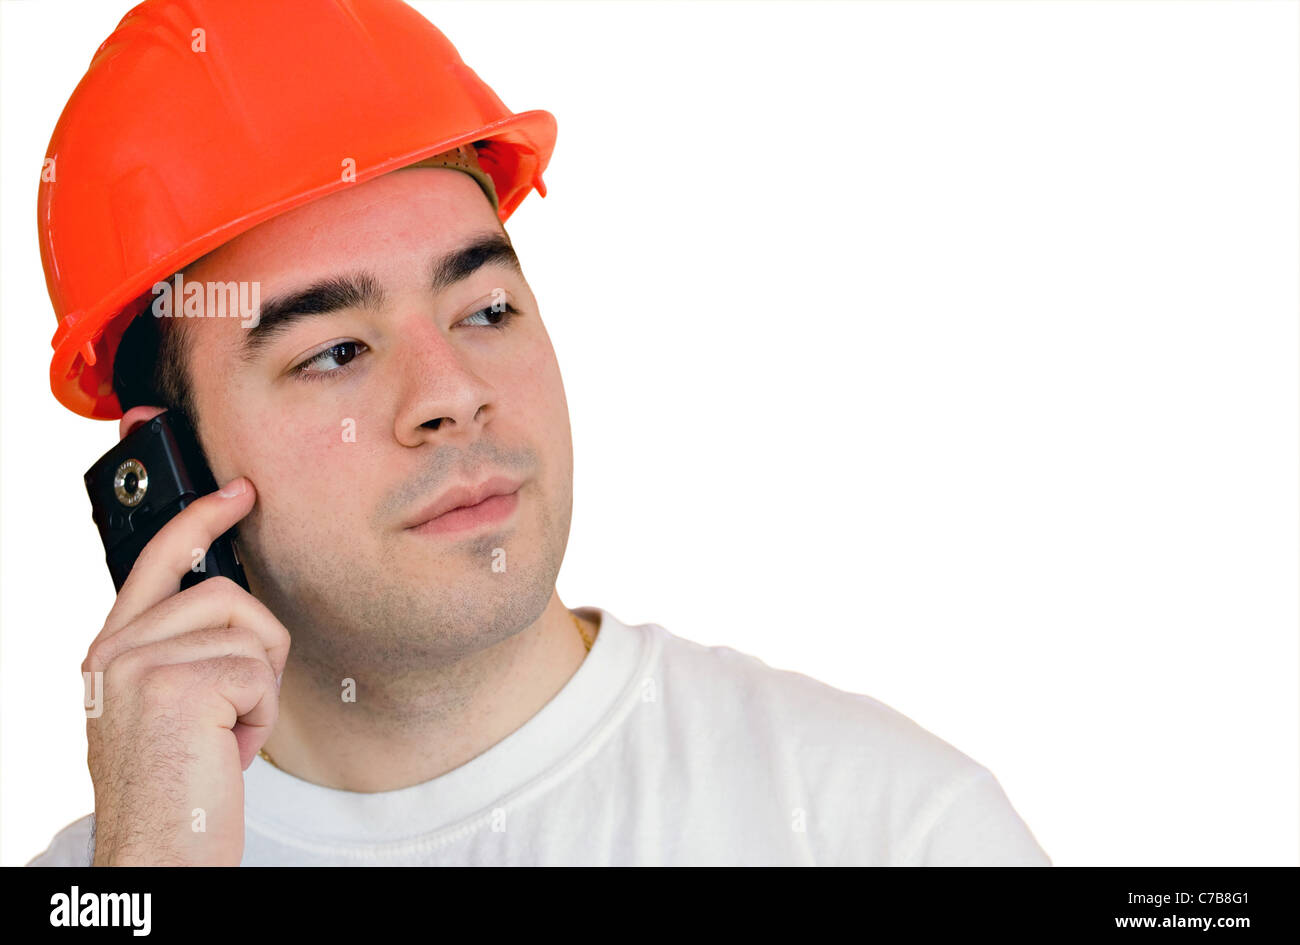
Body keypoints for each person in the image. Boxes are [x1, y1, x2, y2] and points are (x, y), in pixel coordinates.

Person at [28, 0, 1049, 866]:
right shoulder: (112, 873)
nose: (453, 393)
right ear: (164, 473)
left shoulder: (886, 829)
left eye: (484, 310)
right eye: (337, 351)